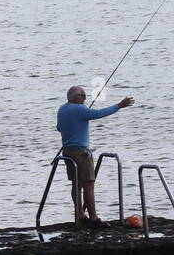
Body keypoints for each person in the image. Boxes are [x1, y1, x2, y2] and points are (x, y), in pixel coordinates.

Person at [56, 85, 134, 227]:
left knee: (76, 185)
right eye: (84, 96)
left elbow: (59, 128)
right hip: (81, 152)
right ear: (76, 97)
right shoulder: (79, 109)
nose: (85, 99)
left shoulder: (62, 109)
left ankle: (79, 215)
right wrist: (119, 106)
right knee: (89, 185)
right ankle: (93, 218)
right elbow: (98, 114)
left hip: (67, 151)